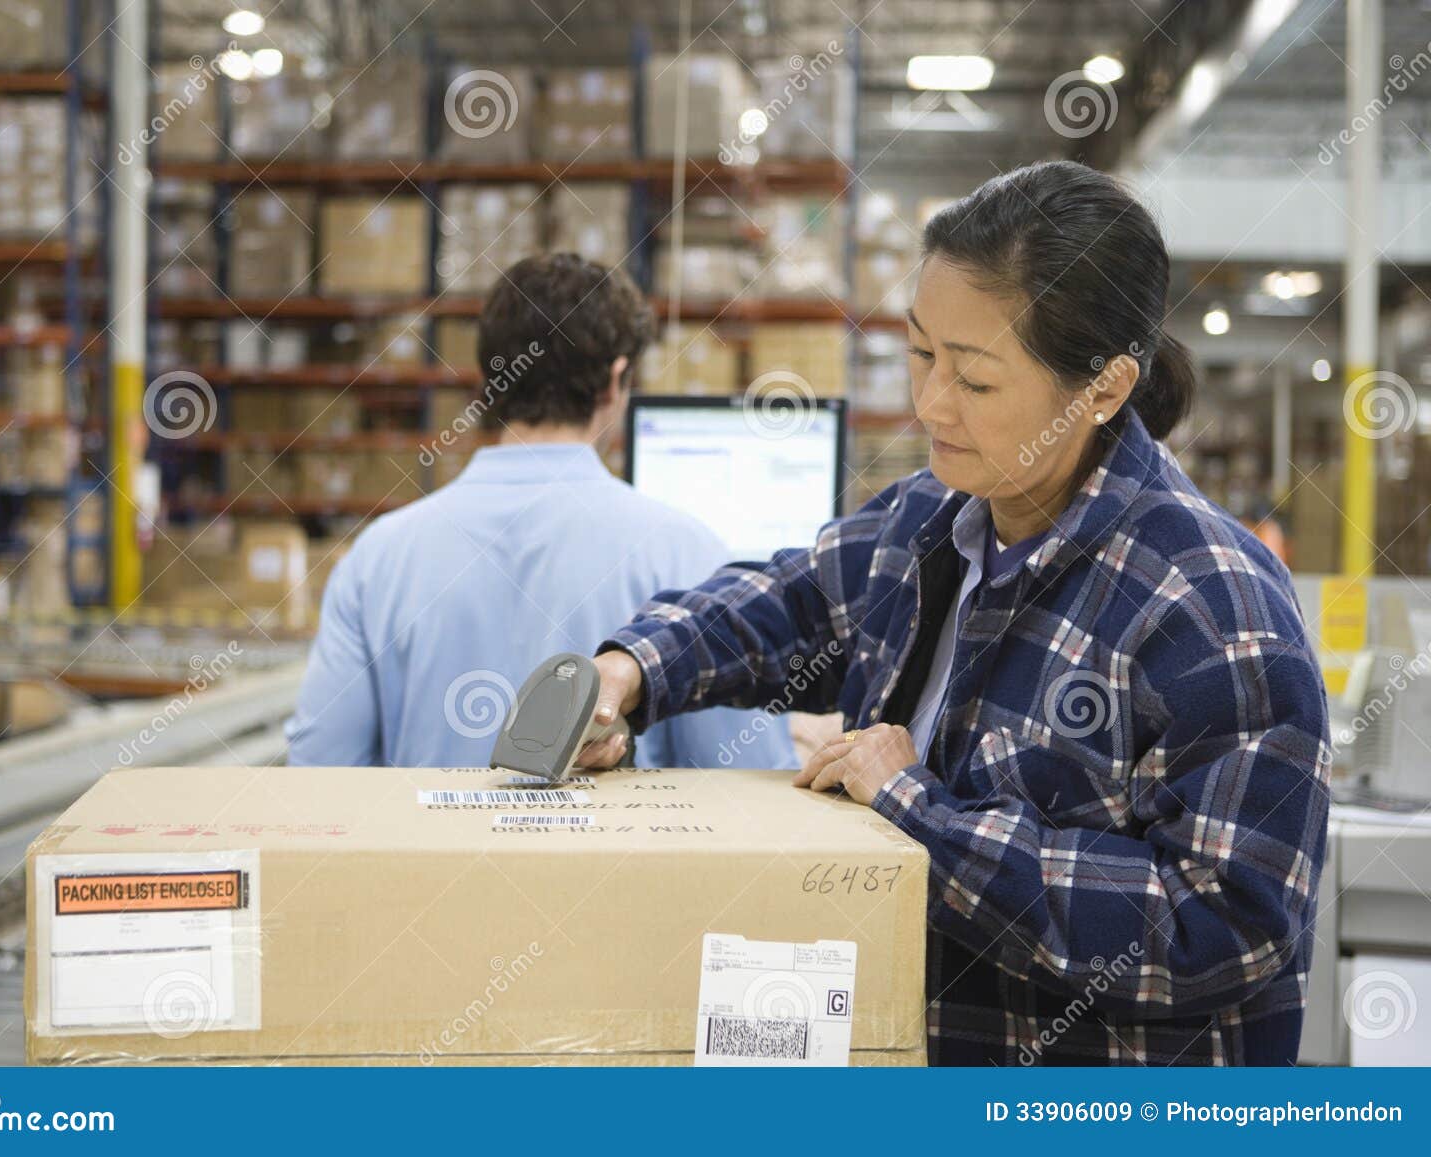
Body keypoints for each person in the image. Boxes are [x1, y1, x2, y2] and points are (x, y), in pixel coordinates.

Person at [576, 161, 1330, 1066]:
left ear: (1103, 388)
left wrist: (919, 810)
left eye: (973, 380)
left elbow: (1225, 923)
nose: (929, 403)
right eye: (921, 352)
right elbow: (789, 600)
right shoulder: (933, 518)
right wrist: (632, 668)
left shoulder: (1212, 608)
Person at [286, 253, 794, 771]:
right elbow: (745, 777)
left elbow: (321, 769)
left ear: (488, 377)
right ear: (616, 380)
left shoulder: (377, 558)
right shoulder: (687, 554)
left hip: (431, 851)